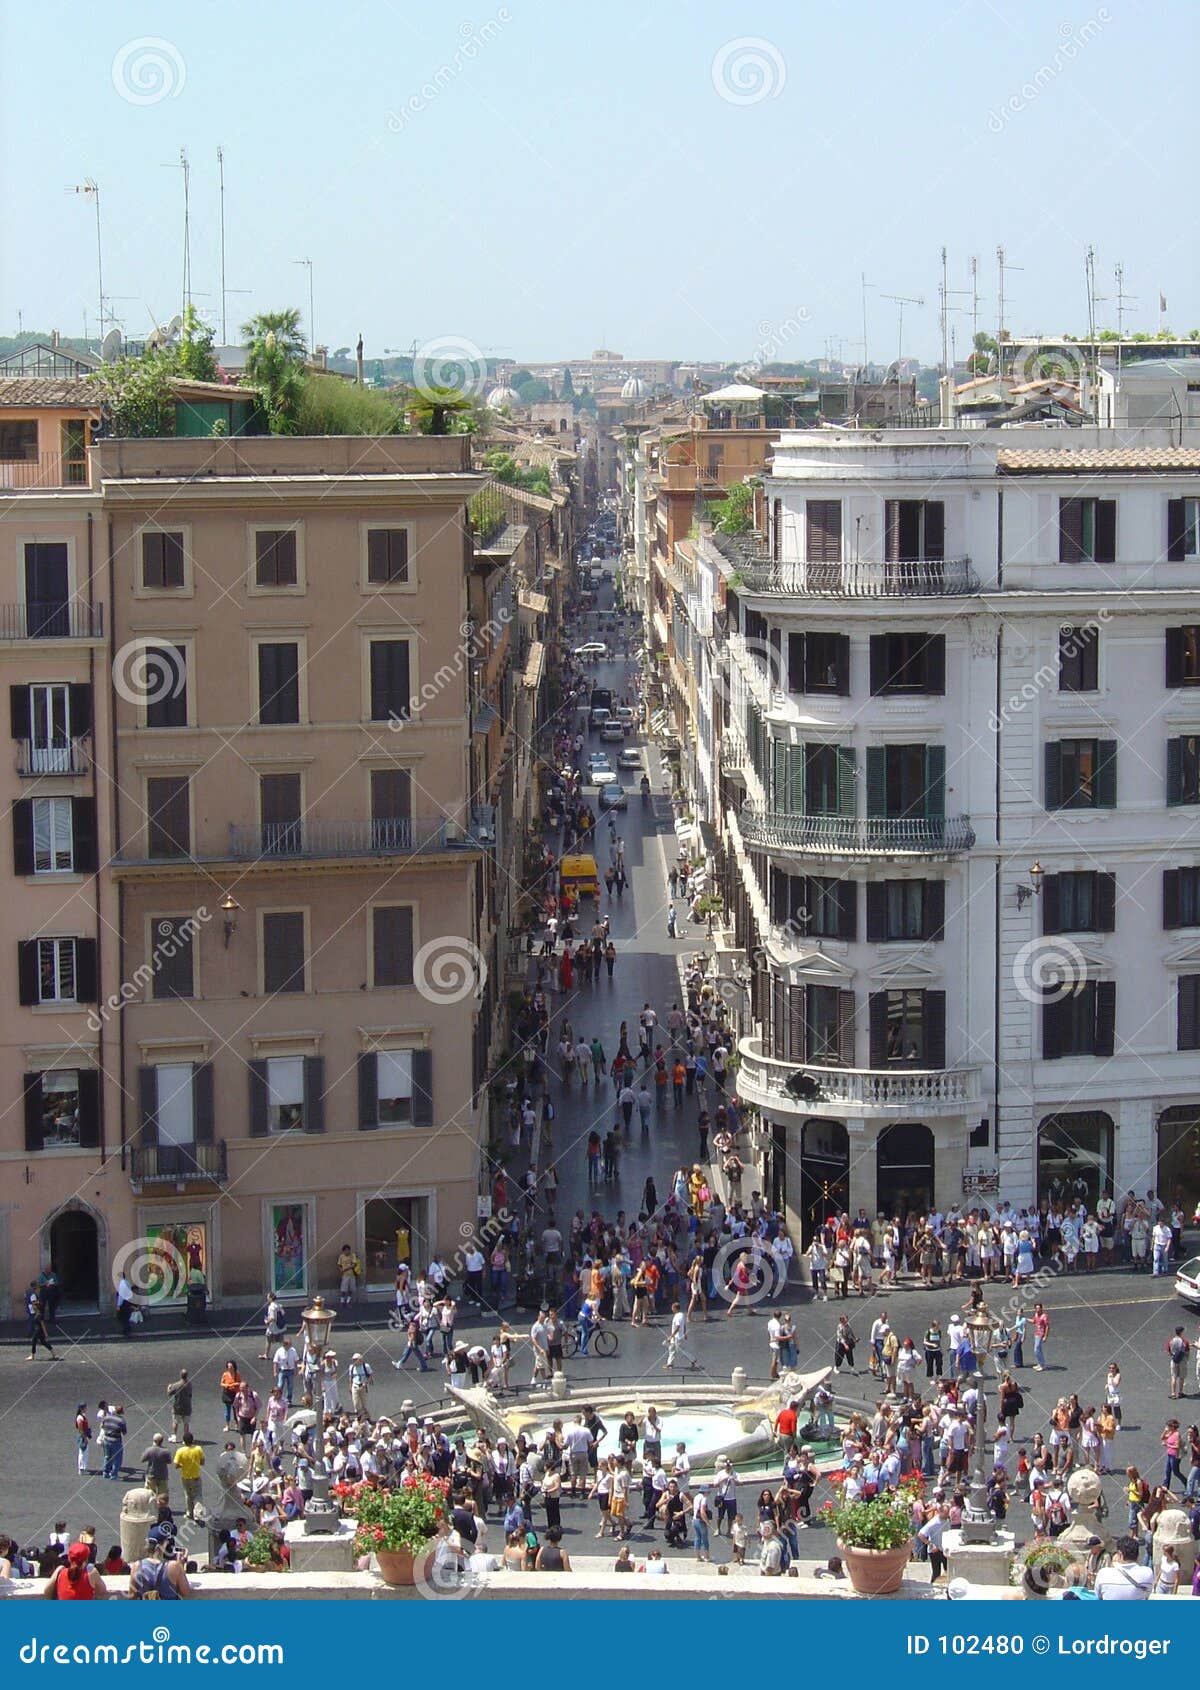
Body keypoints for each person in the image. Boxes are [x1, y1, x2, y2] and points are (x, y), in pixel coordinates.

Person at [128, 1525, 194, 1600]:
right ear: (164, 1544)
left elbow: (131, 1596)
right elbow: (185, 1592)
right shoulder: (174, 1566)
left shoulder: (137, 1566)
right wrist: (181, 1566)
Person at [1094, 1535, 1153, 1600]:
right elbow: (1146, 1595)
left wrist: (1114, 1564)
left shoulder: (1103, 1573)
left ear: (1120, 1554)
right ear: (1138, 1554)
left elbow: (1098, 1596)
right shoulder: (1147, 1572)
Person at [173, 1432, 205, 1521]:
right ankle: (198, 1514)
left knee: (188, 1495)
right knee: (198, 1495)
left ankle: (189, 1513)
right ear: (192, 1440)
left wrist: (183, 1465)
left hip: (185, 1477)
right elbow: (202, 1462)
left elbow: (175, 1465)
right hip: (196, 1476)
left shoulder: (180, 1451)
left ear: (184, 1441)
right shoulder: (198, 1449)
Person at [25, 1282, 57, 1361]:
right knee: (43, 1342)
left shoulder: (39, 1315)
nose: (33, 1307)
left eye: (34, 1306)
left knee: (34, 1341)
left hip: (39, 1331)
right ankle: (53, 1353)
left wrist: (46, 1334)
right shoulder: (38, 1314)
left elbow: (42, 1325)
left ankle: (32, 1356)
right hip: (39, 1330)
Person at [142, 1431, 172, 1504]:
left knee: (149, 1493)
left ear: (154, 1440)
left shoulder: (149, 1450)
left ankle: (150, 1507)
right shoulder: (166, 1451)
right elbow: (169, 1461)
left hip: (151, 1474)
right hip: (163, 1475)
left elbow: (142, 1459)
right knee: (163, 1495)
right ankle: (162, 1508)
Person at [165, 1368, 193, 1443]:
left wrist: (169, 1387)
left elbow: (169, 1394)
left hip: (177, 1407)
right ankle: (185, 1439)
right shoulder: (189, 1384)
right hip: (187, 1407)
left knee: (175, 1422)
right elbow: (190, 1395)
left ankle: (174, 1437)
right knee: (186, 1423)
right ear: (187, 1376)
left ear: (180, 1375)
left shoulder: (176, 1385)